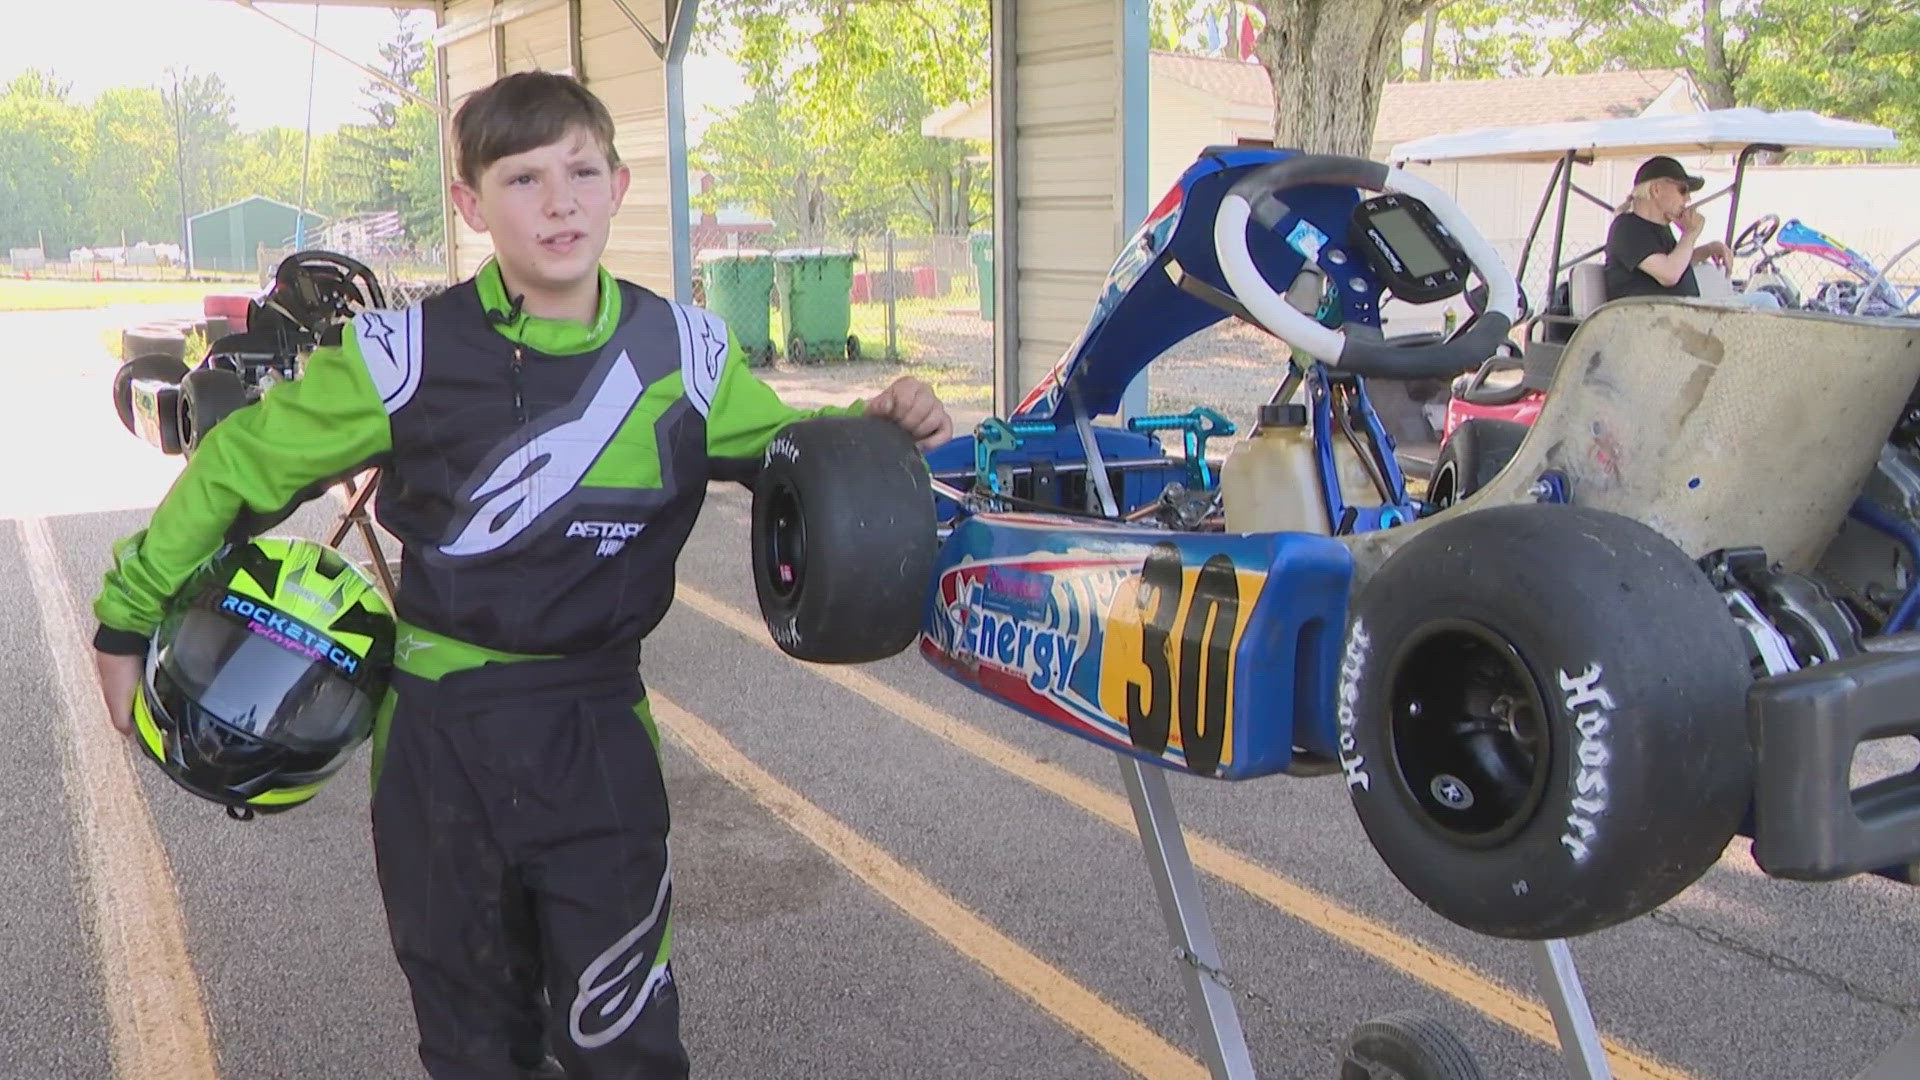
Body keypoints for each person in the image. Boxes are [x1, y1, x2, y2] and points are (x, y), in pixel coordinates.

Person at [89, 70, 952, 1079]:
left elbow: (809, 459)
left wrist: (886, 429)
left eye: (583, 171)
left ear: (620, 186)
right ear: (469, 203)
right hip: (438, 743)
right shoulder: (401, 355)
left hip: (596, 738)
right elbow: (240, 468)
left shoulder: (686, 358)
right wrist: (125, 620)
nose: (560, 201)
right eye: (524, 177)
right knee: (470, 1047)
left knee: (621, 1042)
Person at [1603, 155, 1735, 301]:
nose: (1688, 199)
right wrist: (1690, 234)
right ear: (1656, 190)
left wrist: (1710, 249)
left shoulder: (1659, 228)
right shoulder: (1627, 228)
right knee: (1762, 301)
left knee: (1762, 299)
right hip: (1648, 317)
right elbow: (1669, 274)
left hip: (1675, 314)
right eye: (1683, 190)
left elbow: (1677, 262)